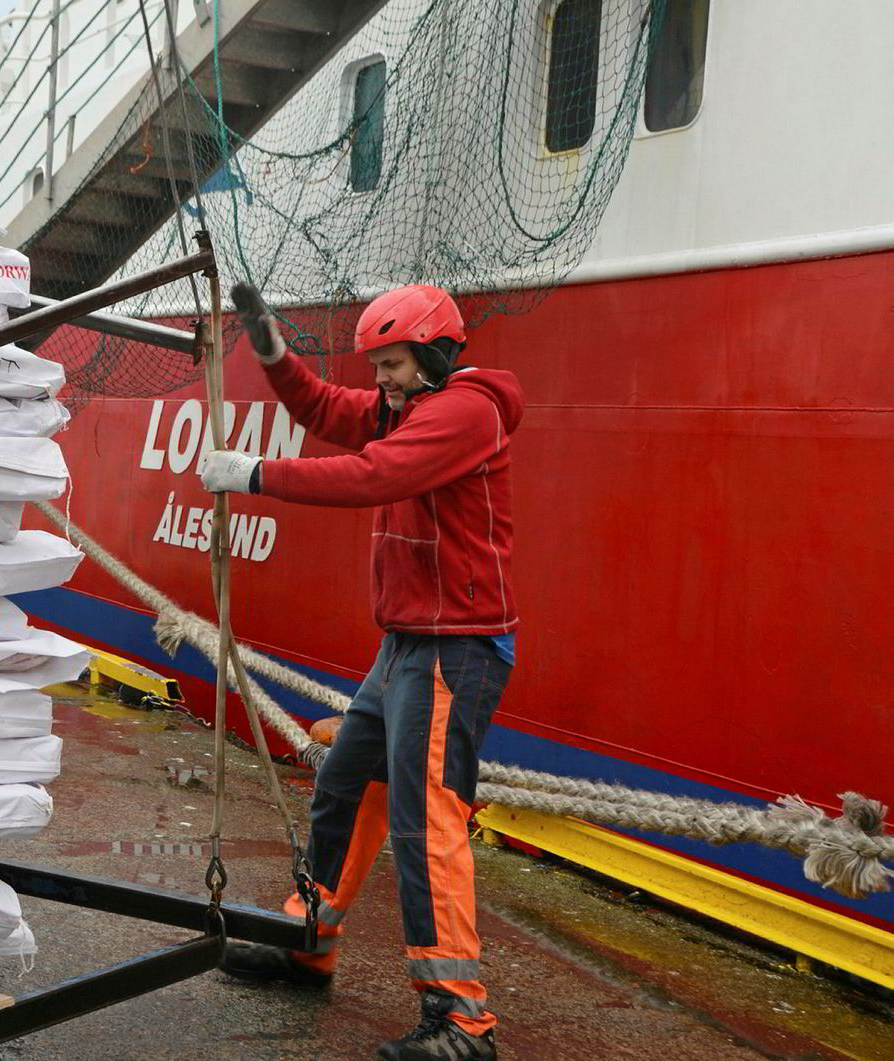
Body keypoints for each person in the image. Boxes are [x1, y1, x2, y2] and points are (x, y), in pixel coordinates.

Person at [200, 284, 523, 1061]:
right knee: (344, 786)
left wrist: (254, 473)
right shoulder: (411, 404)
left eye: (393, 364)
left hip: (455, 649)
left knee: (426, 821)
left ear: (435, 355)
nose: (381, 380)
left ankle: (462, 1019)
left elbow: (372, 475)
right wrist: (274, 353)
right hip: (408, 644)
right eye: (377, 366)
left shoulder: (462, 412)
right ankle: (308, 941)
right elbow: (323, 408)